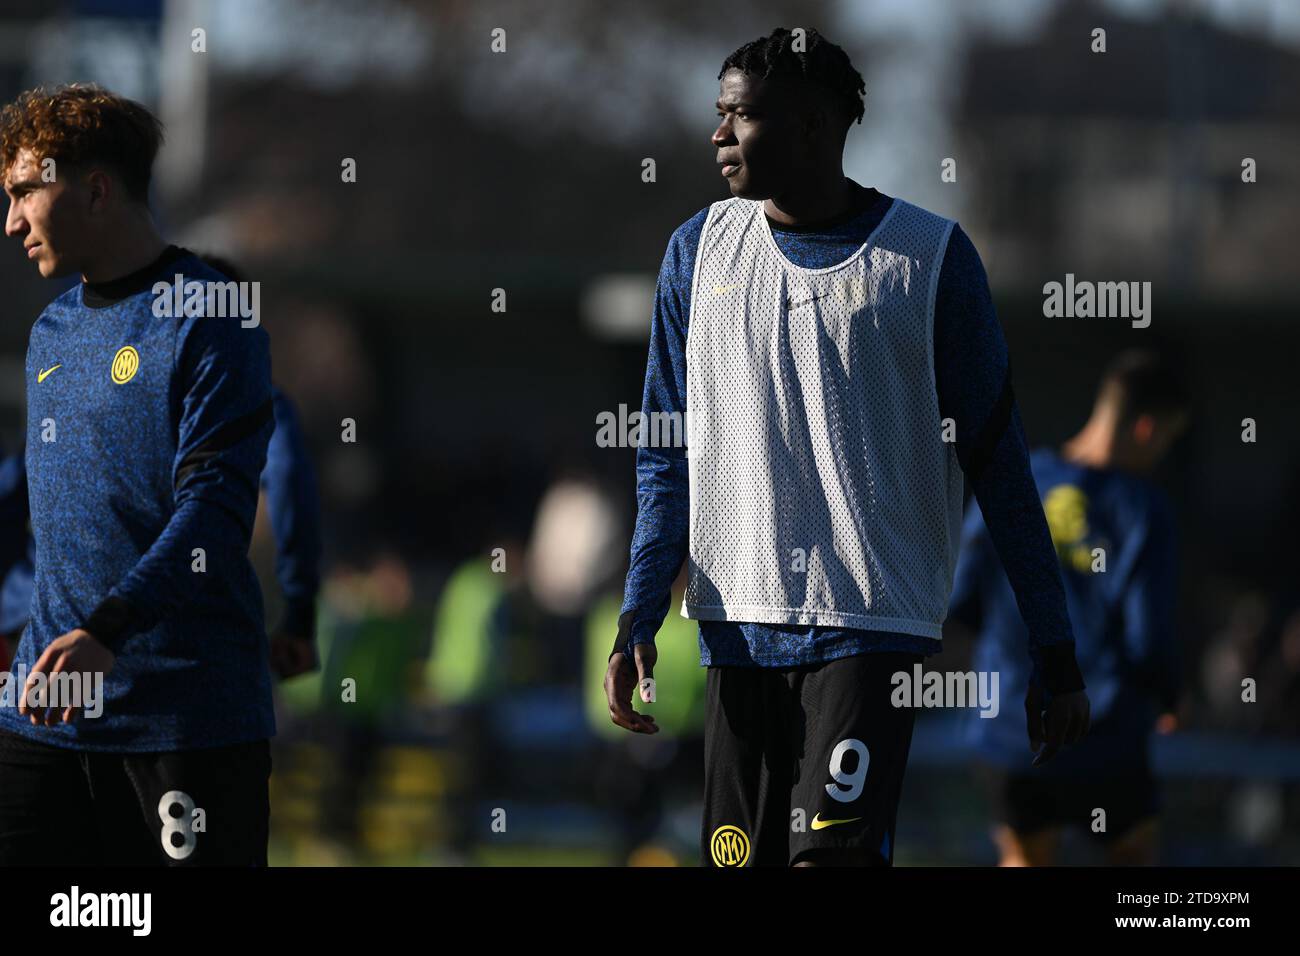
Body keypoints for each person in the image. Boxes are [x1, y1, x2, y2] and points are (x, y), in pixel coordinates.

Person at [603, 27, 1090, 867]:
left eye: (743, 116)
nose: (719, 135)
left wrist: (1055, 650)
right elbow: (664, 454)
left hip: (870, 631)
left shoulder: (931, 261)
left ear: (814, 127)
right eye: (719, 116)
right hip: (736, 629)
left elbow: (1001, 468)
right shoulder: (696, 254)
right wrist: (638, 614)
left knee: (829, 861)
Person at [0, 83, 275, 865]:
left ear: (94, 189)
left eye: (24, 192)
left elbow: (216, 510)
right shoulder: (50, 331)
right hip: (41, 721)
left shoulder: (211, 314)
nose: (11, 221)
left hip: (185, 724)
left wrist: (111, 629)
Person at [951, 350, 1187, 865]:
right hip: (1104, 741)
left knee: (1025, 859)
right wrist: (1171, 696)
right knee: (1132, 856)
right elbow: (1148, 640)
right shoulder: (1143, 509)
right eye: (1167, 441)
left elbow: (960, 598)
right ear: (1147, 429)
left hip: (1010, 734)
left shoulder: (1016, 479)